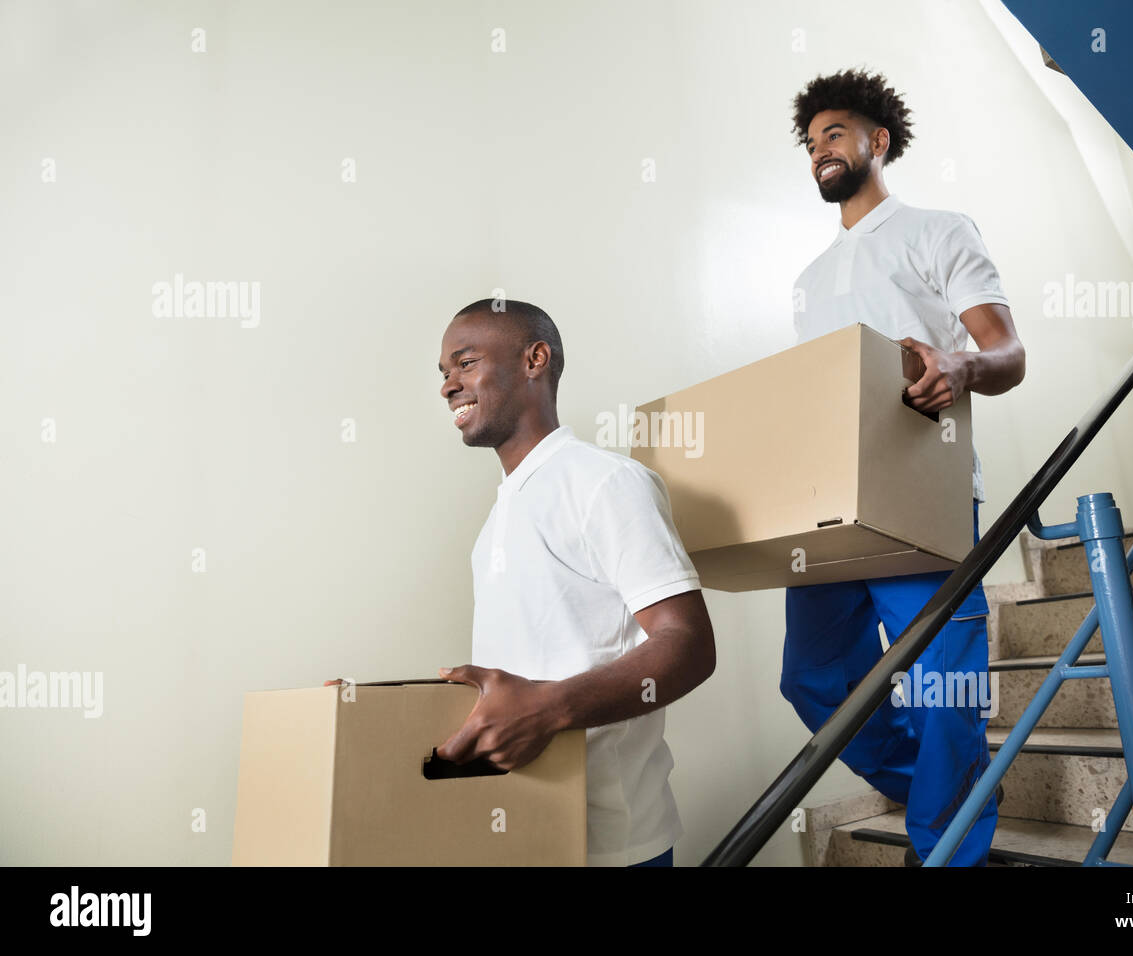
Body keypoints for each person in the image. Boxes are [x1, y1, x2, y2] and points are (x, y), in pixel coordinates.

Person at [782, 69, 1027, 866]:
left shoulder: (938, 231)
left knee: (944, 693)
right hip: (830, 506)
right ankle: (934, 782)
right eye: (812, 141)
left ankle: (949, 847)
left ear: (876, 141)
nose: (821, 150)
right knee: (814, 681)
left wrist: (960, 368)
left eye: (836, 134)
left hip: (926, 492)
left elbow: (1007, 352)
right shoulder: (808, 282)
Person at [434, 298, 716, 867]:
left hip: (612, 842)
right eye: (443, 374)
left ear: (535, 359)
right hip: (526, 831)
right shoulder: (492, 525)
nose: (447, 387)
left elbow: (688, 644)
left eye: (464, 364)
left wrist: (549, 708)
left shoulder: (606, 482)